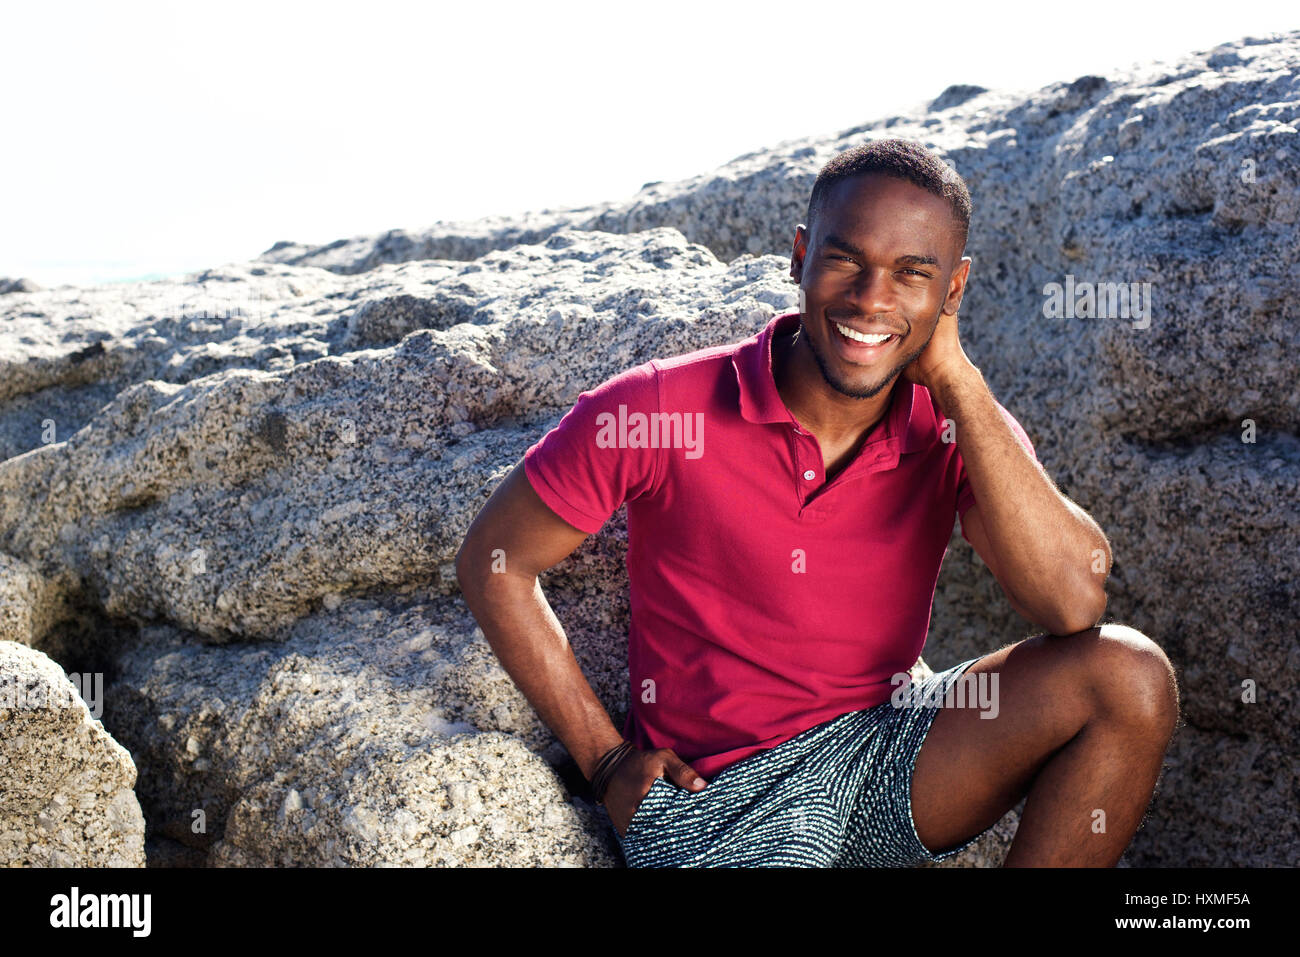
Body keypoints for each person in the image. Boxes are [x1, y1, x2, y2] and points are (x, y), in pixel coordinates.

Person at [455, 138, 1180, 867]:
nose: (871, 298)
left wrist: (957, 378)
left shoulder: (957, 422)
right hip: (720, 801)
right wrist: (604, 759)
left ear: (952, 292)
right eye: (845, 260)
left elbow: (1073, 601)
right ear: (801, 255)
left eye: (911, 274)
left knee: (1128, 676)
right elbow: (494, 560)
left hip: (887, 747)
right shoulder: (659, 406)